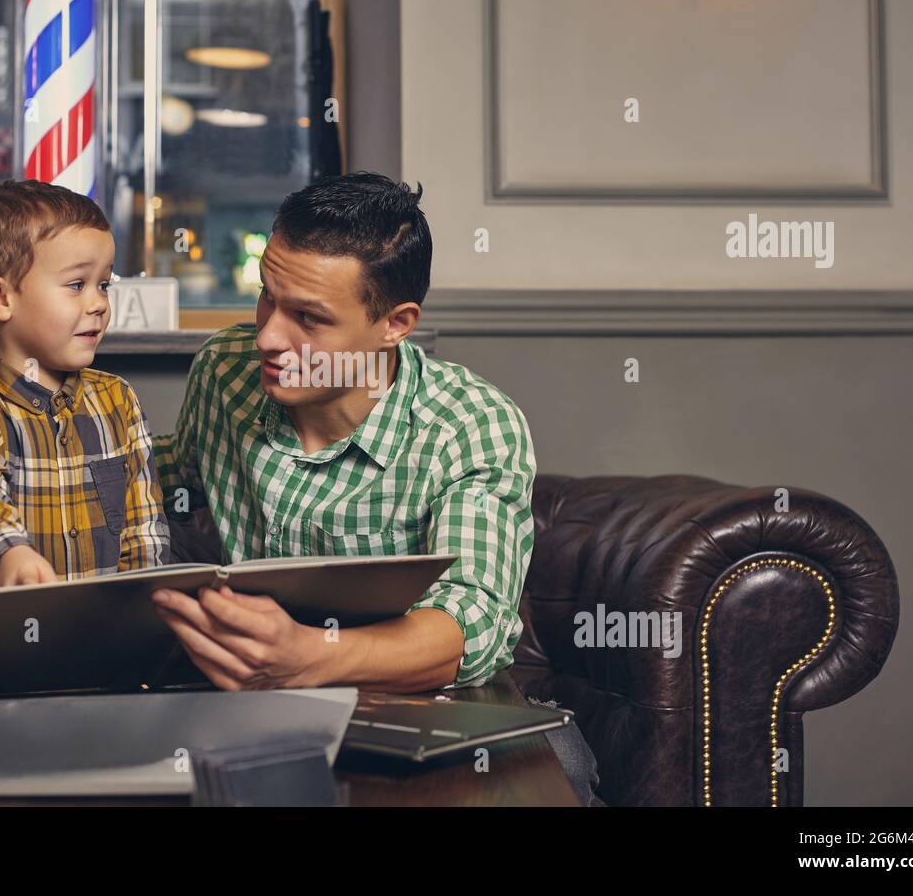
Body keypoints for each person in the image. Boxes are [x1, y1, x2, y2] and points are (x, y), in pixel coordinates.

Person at [152, 171, 599, 804]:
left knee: (552, 780)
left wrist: (310, 656)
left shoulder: (469, 423)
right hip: (247, 699)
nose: (268, 338)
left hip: (431, 705)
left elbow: (469, 620)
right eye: (265, 298)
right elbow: (165, 477)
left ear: (395, 323)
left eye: (309, 317)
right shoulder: (226, 373)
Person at [0, 179, 170, 712]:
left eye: (105, 285)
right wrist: (10, 551)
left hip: (101, 675)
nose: (99, 304)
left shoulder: (118, 401)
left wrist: (147, 631)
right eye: (77, 285)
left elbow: (145, 534)